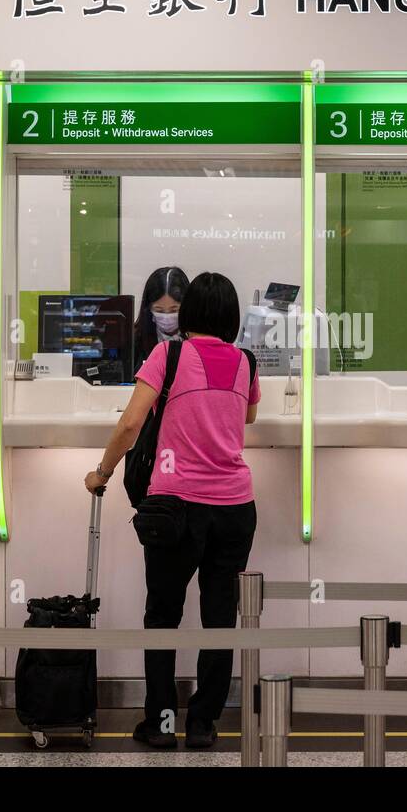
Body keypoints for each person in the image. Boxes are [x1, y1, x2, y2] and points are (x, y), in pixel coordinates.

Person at [84, 272, 259, 750]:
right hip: (235, 507)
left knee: (162, 615)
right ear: (231, 316)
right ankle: (203, 724)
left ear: (190, 313)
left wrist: (101, 472)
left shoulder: (169, 355)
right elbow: (248, 416)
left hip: (174, 507)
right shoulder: (246, 362)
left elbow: (129, 424)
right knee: (220, 618)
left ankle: (160, 724)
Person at [133, 266, 190, 368]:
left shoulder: (197, 339)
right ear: (149, 308)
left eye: (174, 310)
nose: (167, 317)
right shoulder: (135, 339)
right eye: (159, 310)